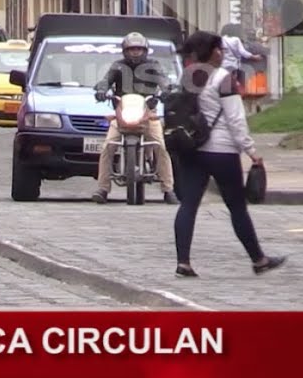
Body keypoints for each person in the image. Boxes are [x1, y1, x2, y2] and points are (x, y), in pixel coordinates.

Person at [171, 30, 286, 279]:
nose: (222, 53)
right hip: (222, 151)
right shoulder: (223, 78)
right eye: (220, 49)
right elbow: (235, 120)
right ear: (212, 52)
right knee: (236, 207)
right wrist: (251, 151)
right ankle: (258, 259)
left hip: (192, 149)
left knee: (188, 205)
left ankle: (183, 262)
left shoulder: (188, 76)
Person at [91, 32, 178, 205]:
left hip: (148, 115)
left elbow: (163, 80)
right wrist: (101, 90)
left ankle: (168, 189)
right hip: (122, 115)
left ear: (145, 50)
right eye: (131, 49)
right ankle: (102, 188)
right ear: (125, 51)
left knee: (160, 146)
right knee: (108, 145)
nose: (135, 53)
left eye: (139, 49)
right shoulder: (118, 66)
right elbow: (105, 81)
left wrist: (166, 90)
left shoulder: (153, 65)